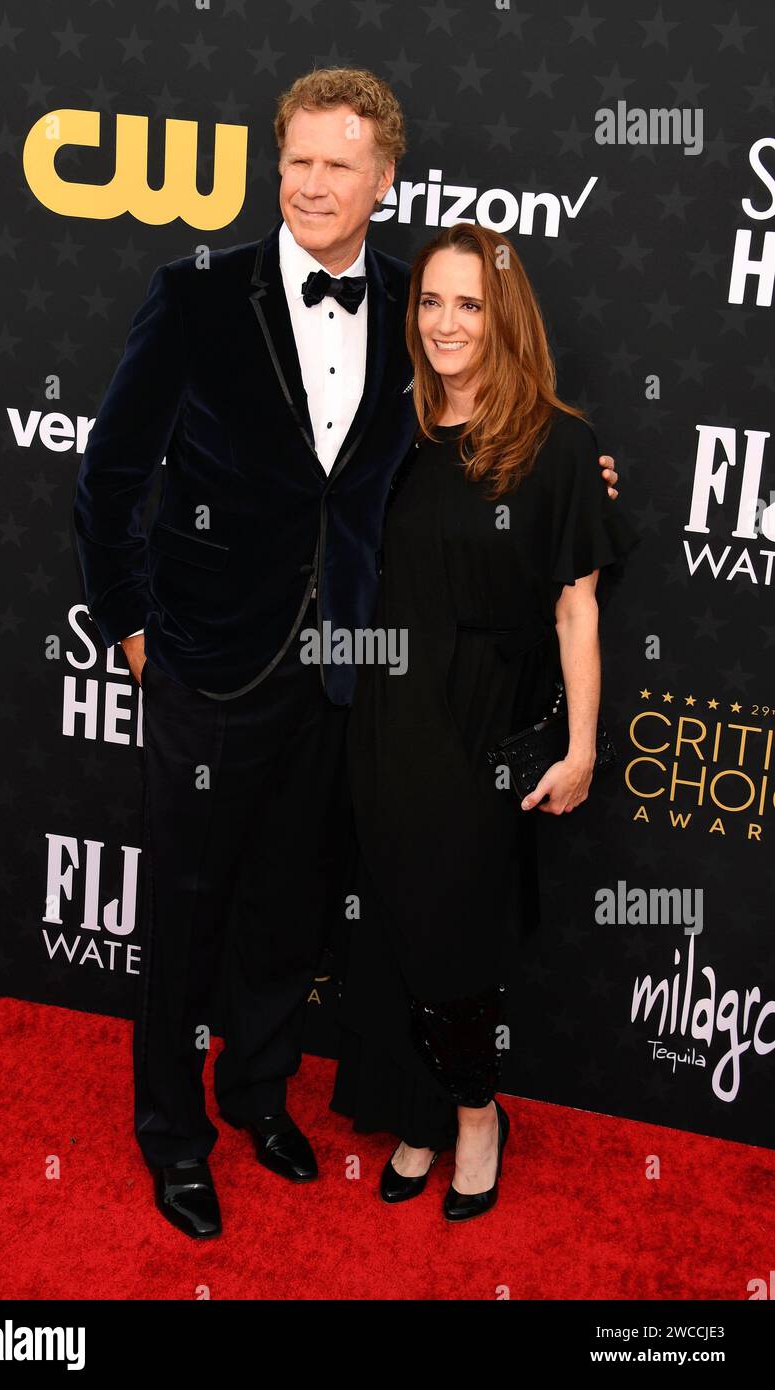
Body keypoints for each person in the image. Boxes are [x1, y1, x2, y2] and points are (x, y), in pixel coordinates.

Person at [73, 67, 620, 1240]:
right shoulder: (194, 293)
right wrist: (131, 626)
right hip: (205, 668)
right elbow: (107, 477)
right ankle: (173, 1135)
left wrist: (579, 473)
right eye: (297, 162)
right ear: (278, 169)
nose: (314, 184)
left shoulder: (412, 305)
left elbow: (477, 444)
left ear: (384, 179)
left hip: (346, 679)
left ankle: (259, 1096)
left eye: (339, 164)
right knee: (184, 915)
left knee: (287, 909)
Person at [331, 223, 640, 1221]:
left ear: (504, 315)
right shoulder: (394, 429)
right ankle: (415, 1111)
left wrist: (584, 746)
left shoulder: (559, 444)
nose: (446, 322)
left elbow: (575, 607)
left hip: (476, 729)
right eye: (430, 302)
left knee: (454, 934)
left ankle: (474, 1114)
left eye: (469, 303)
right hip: (381, 711)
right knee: (386, 925)